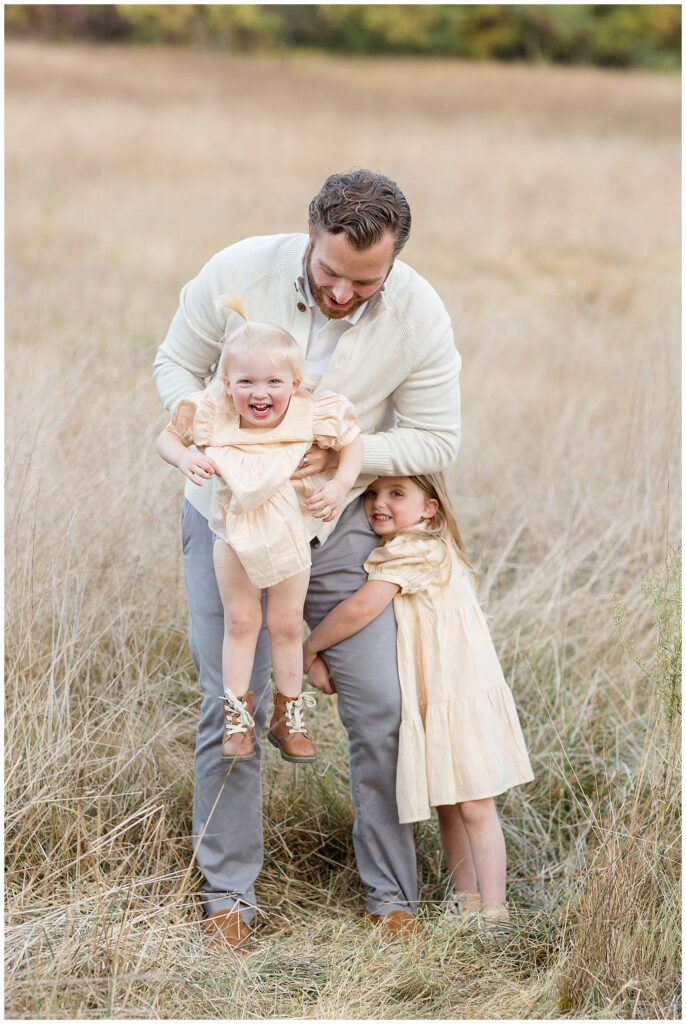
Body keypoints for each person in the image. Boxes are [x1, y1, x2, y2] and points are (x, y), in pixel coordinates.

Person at [153, 168, 462, 949]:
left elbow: (437, 438)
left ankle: (392, 898)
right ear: (310, 238)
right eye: (329, 273)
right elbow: (173, 369)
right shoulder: (237, 268)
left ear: (393, 261)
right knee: (233, 704)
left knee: (382, 708)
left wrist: (331, 460)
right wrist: (218, 446)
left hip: (339, 524)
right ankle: (229, 900)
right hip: (228, 523)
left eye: (365, 280)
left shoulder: (420, 312)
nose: (341, 293)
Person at [303, 474, 534, 929]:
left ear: (429, 508)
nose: (378, 503)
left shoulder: (419, 548)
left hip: (458, 690)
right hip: (436, 692)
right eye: (371, 493)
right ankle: (465, 902)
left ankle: (495, 913)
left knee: (473, 804)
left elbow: (360, 608)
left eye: (396, 494)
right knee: (450, 799)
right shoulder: (404, 545)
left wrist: (308, 648)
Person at [156, 297, 362, 764]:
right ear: (227, 384)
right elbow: (166, 437)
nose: (259, 392)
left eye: (273, 381)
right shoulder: (212, 412)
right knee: (242, 622)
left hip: (290, 532)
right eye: (246, 381)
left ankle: (289, 718)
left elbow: (353, 443)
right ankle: (237, 719)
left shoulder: (312, 412)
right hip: (234, 534)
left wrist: (340, 481)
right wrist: (187, 457)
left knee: (286, 624)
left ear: (295, 383)